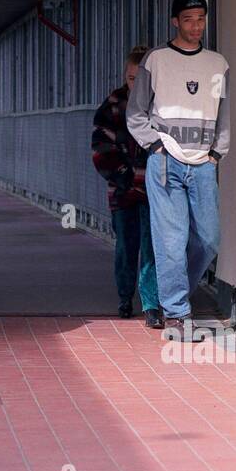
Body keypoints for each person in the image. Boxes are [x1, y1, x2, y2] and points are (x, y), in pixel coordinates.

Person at [125, 0, 229, 342]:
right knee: (171, 240)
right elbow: (136, 112)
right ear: (175, 22)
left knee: (209, 238)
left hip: (203, 163)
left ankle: (174, 288)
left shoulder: (218, 64)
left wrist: (217, 153)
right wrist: (155, 145)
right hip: (166, 160)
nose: (196, 26)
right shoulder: (156, 60)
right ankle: (177, 315)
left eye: (200, 19)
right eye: (188, 19)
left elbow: (224, 115)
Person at [92, 45, 161, 327]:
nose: (136, 84)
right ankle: (124, 297)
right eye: (132, 78)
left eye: (141, 78)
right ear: (125, 76)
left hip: (154, 190)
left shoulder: (160, 105)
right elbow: (101, 149)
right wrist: (126, 177)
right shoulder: (112, 107)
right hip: (123, 190)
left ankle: (151, 305)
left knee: (151, 246)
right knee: (126, 246)